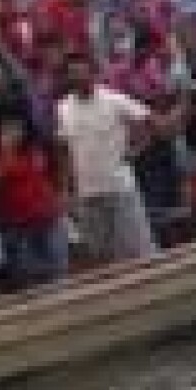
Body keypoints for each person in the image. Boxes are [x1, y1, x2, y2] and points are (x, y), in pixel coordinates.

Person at [52, 50, 157, 265]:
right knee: (101, 255)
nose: (79, 77)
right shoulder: (62, 109)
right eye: (73, 74)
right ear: (68, 77)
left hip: (119, 188)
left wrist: (136, 148)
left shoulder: (114, 99)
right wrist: (64, 189)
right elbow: (63, 150)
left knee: (137, 249)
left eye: (83, 72)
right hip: (87, 193)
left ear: (93, 73)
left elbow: (148, 121)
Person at [0, 103, 73, 291]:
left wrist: (63, 193)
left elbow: (58, 166)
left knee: (59, 274)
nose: (13, 131)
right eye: (6, 127)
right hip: (16, 227)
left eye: (17, 126)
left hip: (48, 218)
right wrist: (6, 152)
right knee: (29, 281)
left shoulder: (36, 148)